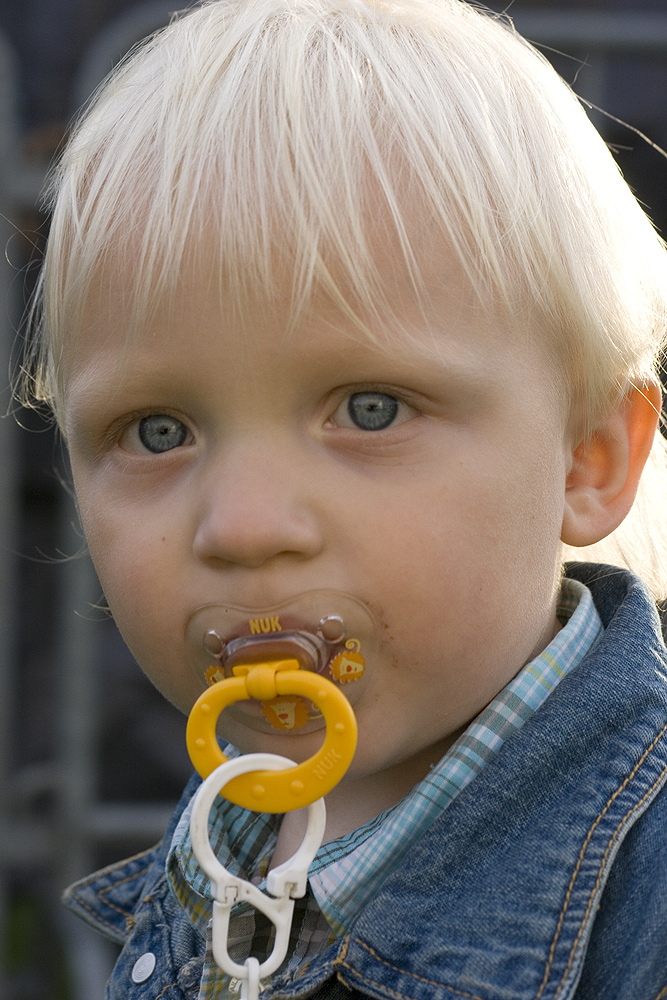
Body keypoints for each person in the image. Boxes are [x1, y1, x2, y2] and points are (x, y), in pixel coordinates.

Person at [20, 0, 667, 996]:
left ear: (586, 458)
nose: (242, 525)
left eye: (369, 409)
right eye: (158, 431)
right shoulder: (225, 837)